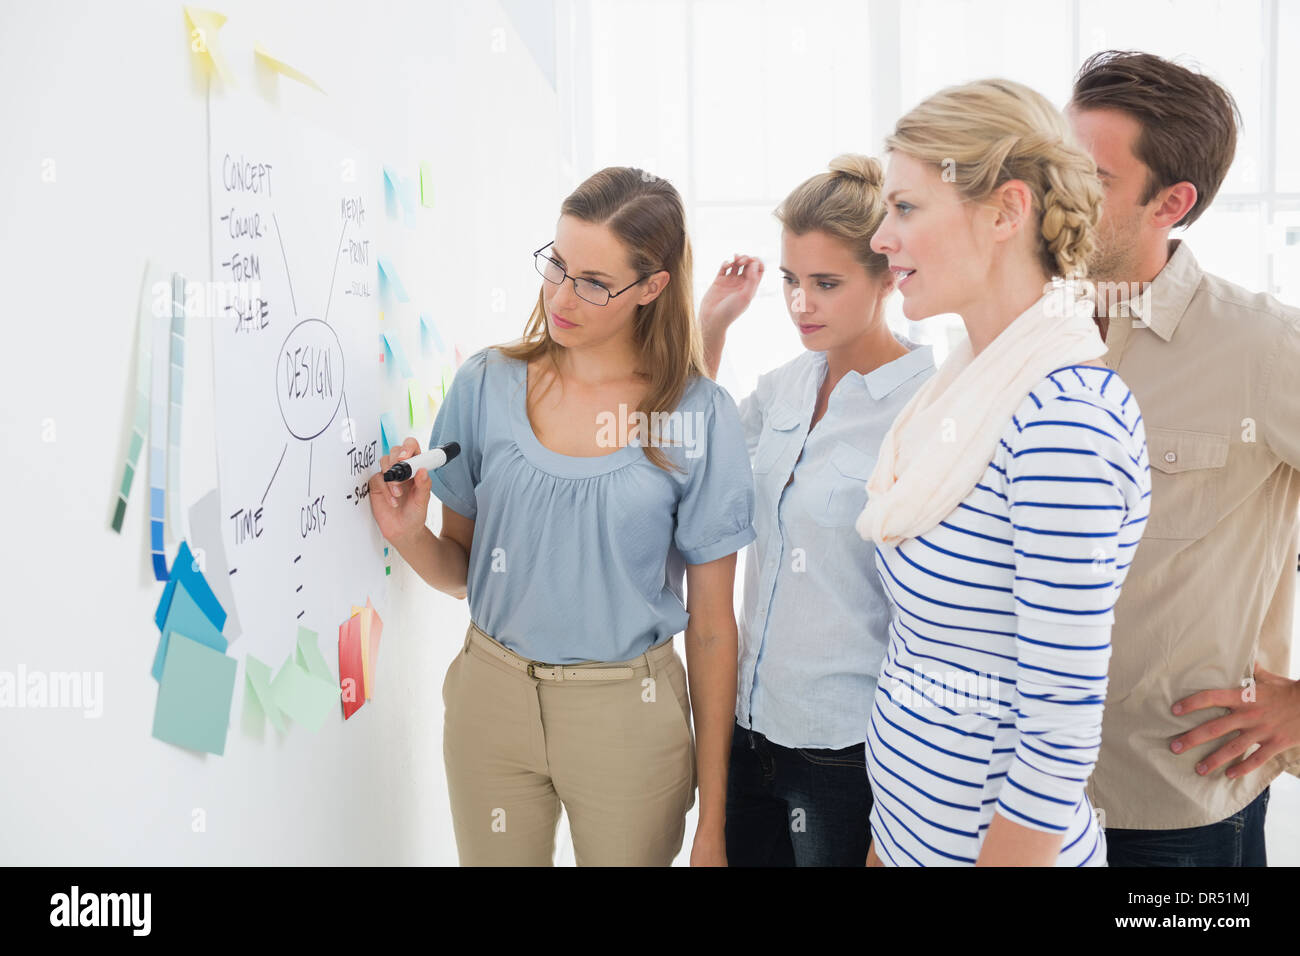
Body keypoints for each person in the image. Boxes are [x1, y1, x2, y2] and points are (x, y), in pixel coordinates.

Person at [368, 167, 756, 866]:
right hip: (490, 699)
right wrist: (406, 534)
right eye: (557, 264)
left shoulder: (695, 416)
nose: (561, 296)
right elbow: (464, 571)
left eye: (594, 282)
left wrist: (714, 821)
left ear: (652, 288)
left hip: (627, 716)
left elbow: (712, 628)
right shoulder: (486, 383)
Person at [859, 78, 1150, 866]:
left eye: (906, 208)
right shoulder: (964, 388)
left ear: (1005, 212)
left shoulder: (1061, 421)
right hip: (911, 837)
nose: (881, 238)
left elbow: (1059, 725)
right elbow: (920, 653)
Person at [1065, 50, 1300, 867]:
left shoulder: (1266, 349)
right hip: (1016, 802)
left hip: (1172, 818)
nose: (1054, 197)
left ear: (1171, 202)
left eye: (1089, 178)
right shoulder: (1008, 339)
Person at [696, 155, 935, 866]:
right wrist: (711, 328)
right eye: (792, 281)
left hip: (848, 756)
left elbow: (939, 625)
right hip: (749, 733)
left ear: (889, 275)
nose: (802, 303)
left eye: (826, 284)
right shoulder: (783, 387)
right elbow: (696, 465)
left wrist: (900, 820)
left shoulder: (928, 407)